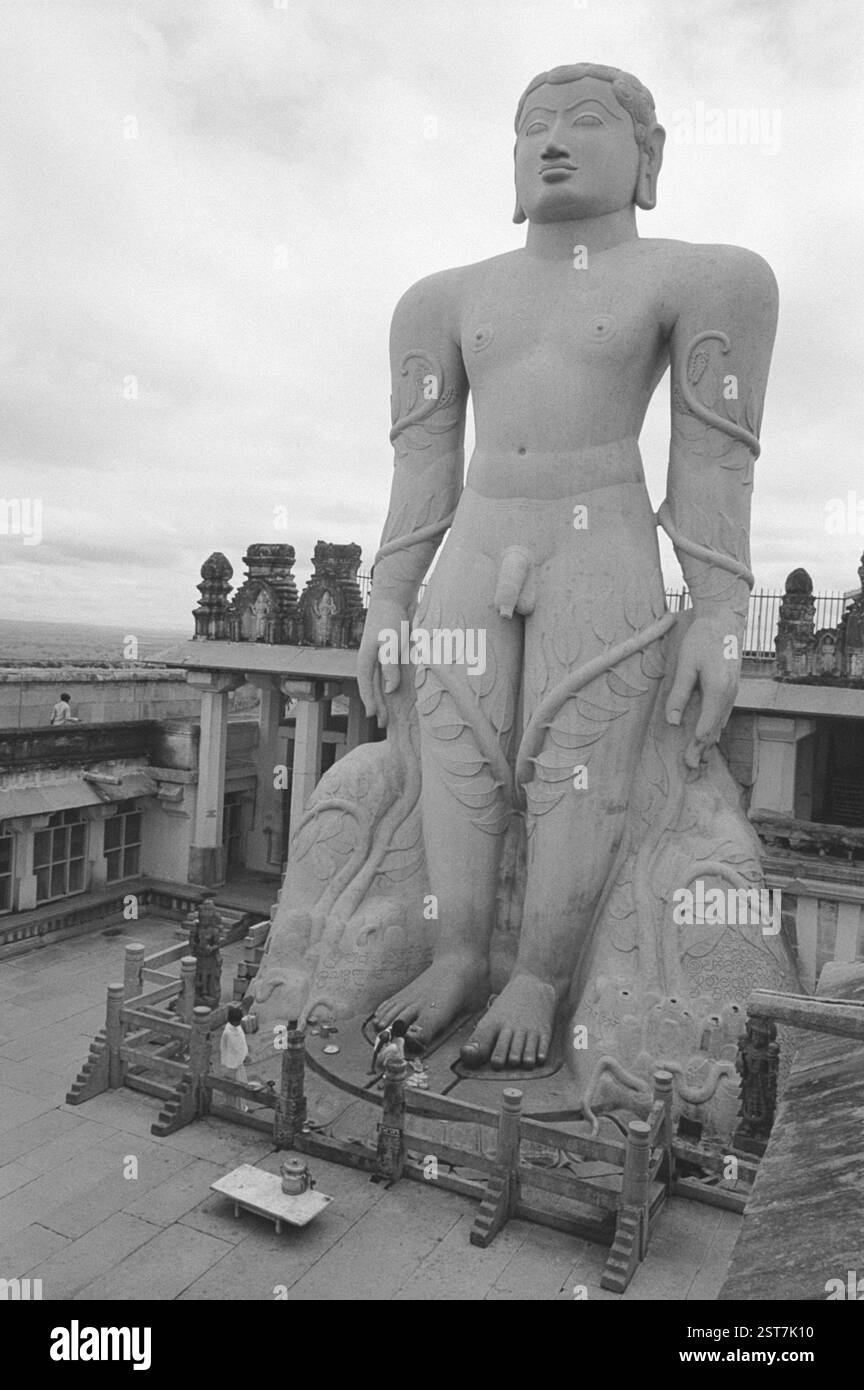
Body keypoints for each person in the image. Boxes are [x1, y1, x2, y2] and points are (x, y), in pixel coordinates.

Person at [363, 63, 778, 1071]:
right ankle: (459, 954)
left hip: (602, 539)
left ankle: (542, 974)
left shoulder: (707, 276)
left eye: (585, 122)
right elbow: (422, 462)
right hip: (477, 531)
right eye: (532, 126)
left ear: (649, 155)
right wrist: (386, 597)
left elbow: (715, 455)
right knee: (458, 742)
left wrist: (721, 610)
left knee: (578, 760)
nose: (552, 141)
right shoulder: (442, 298)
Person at [219, 1005, 249, 1111]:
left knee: (242, 1085)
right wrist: (231, 1063)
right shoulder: (227, 1032)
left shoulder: (239, 1028)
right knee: (233, 1087)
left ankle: (240, 1106)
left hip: (239, 1063)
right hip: (231, 1064)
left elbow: (242, 1043)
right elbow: (227, 1048)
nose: (239, 1023)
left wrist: (245, 1054)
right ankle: (231, 1106)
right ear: (231, 1020)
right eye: (237, 1021)